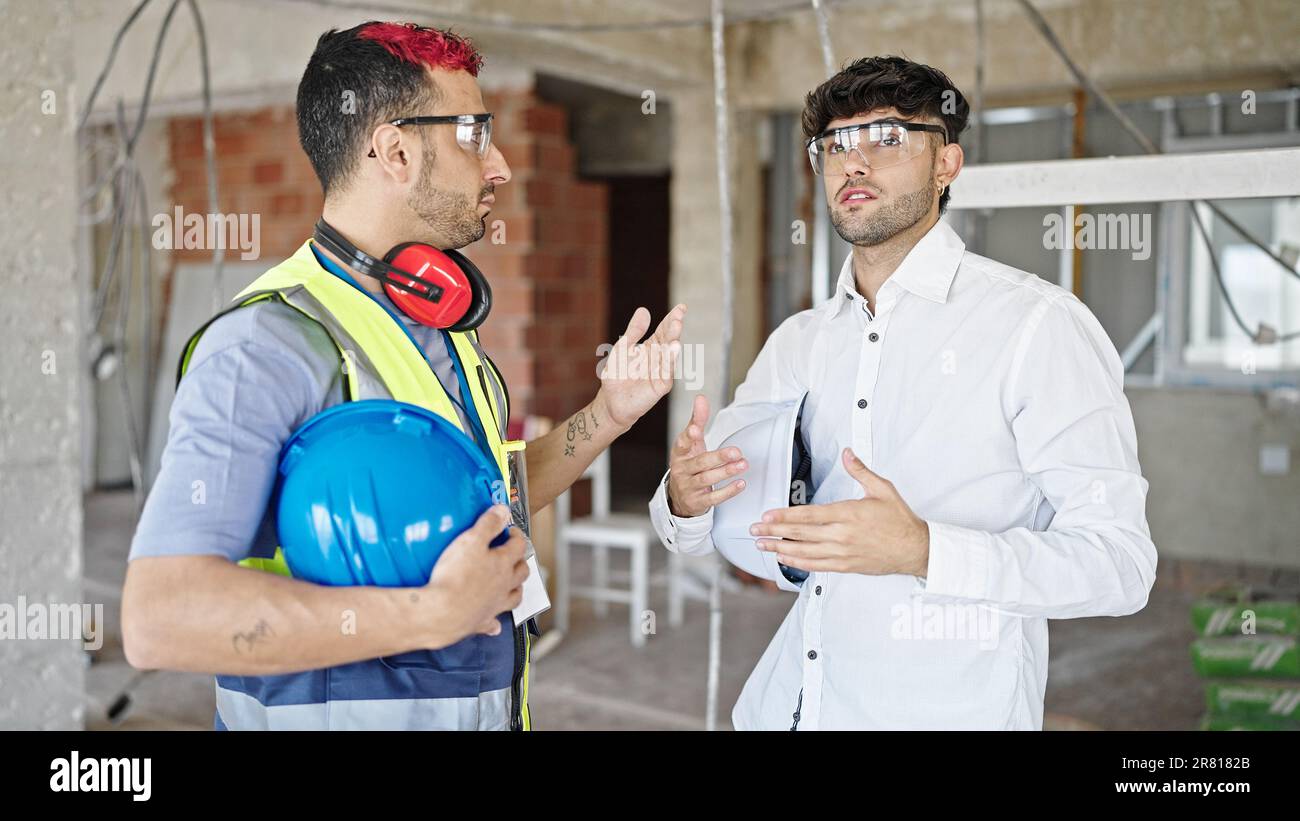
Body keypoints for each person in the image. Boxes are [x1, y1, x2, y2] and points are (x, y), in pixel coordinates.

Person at [122, 21, 684, 731]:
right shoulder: (266, 345)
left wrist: (609, 415)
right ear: (393, 151)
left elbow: (486, 502)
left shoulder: (442, 327)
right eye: (475, 136)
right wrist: (434, 613)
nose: (500, 166)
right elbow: (160, 616)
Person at [648, 55, 1156, 730]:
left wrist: (924, 550)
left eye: (887, 138)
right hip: (791, 707)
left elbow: (1121, 565)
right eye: (834, 145)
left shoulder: (1036, 326)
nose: (853, 164)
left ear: (946, 164)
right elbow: (703, 530)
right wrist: (686, 497)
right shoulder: (801, 340)